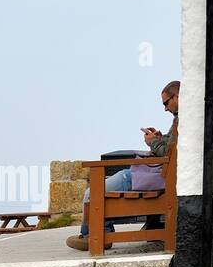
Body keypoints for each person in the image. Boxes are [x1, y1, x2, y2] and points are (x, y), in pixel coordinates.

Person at [66, 81, 179, 252]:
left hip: (153, 178)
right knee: (102, 187)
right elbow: (170, 147)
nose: (165, 108)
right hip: (160, 175)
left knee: (92, 192)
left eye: (166, 103)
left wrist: (152, 141)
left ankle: (92, 236)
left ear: (177, 96)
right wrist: (159, 137)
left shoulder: (181, 121)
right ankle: (100, 232)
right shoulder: (184, 120)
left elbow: (165, 152)